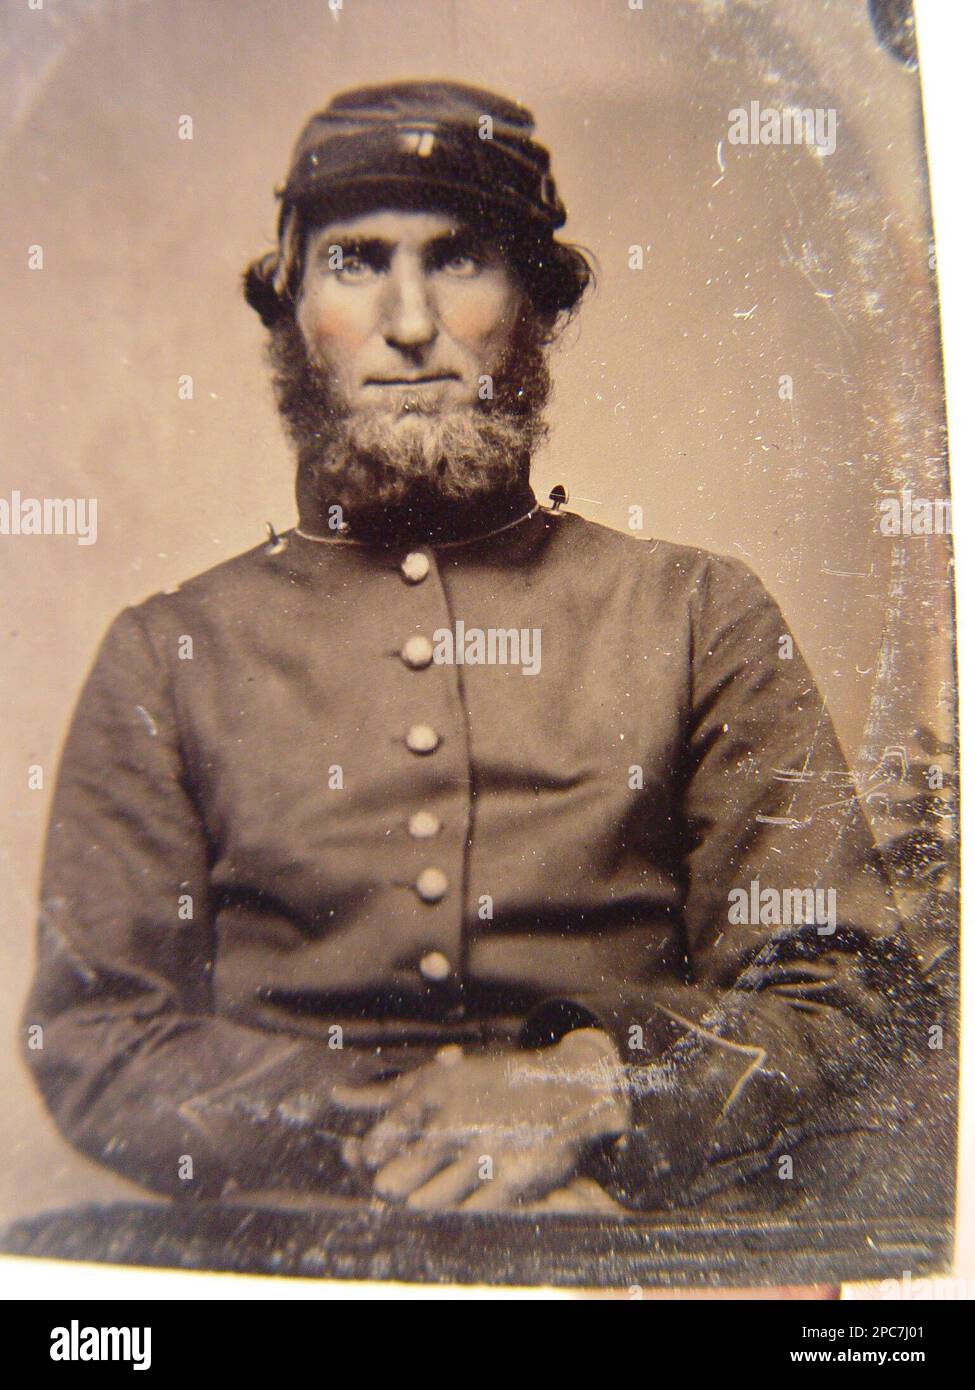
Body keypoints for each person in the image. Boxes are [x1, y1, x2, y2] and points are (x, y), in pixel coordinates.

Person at [23, 81, 923, 1216]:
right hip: (288, 1246)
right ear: (290, 308)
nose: (409, 324)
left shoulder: (699, 613)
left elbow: (846, 982)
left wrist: (603, 1090)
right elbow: (95, 1035)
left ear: (536, 300)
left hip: (632, 1237)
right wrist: (401, 1134)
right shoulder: (168, 654)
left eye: (459, 258)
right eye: (356, 262)